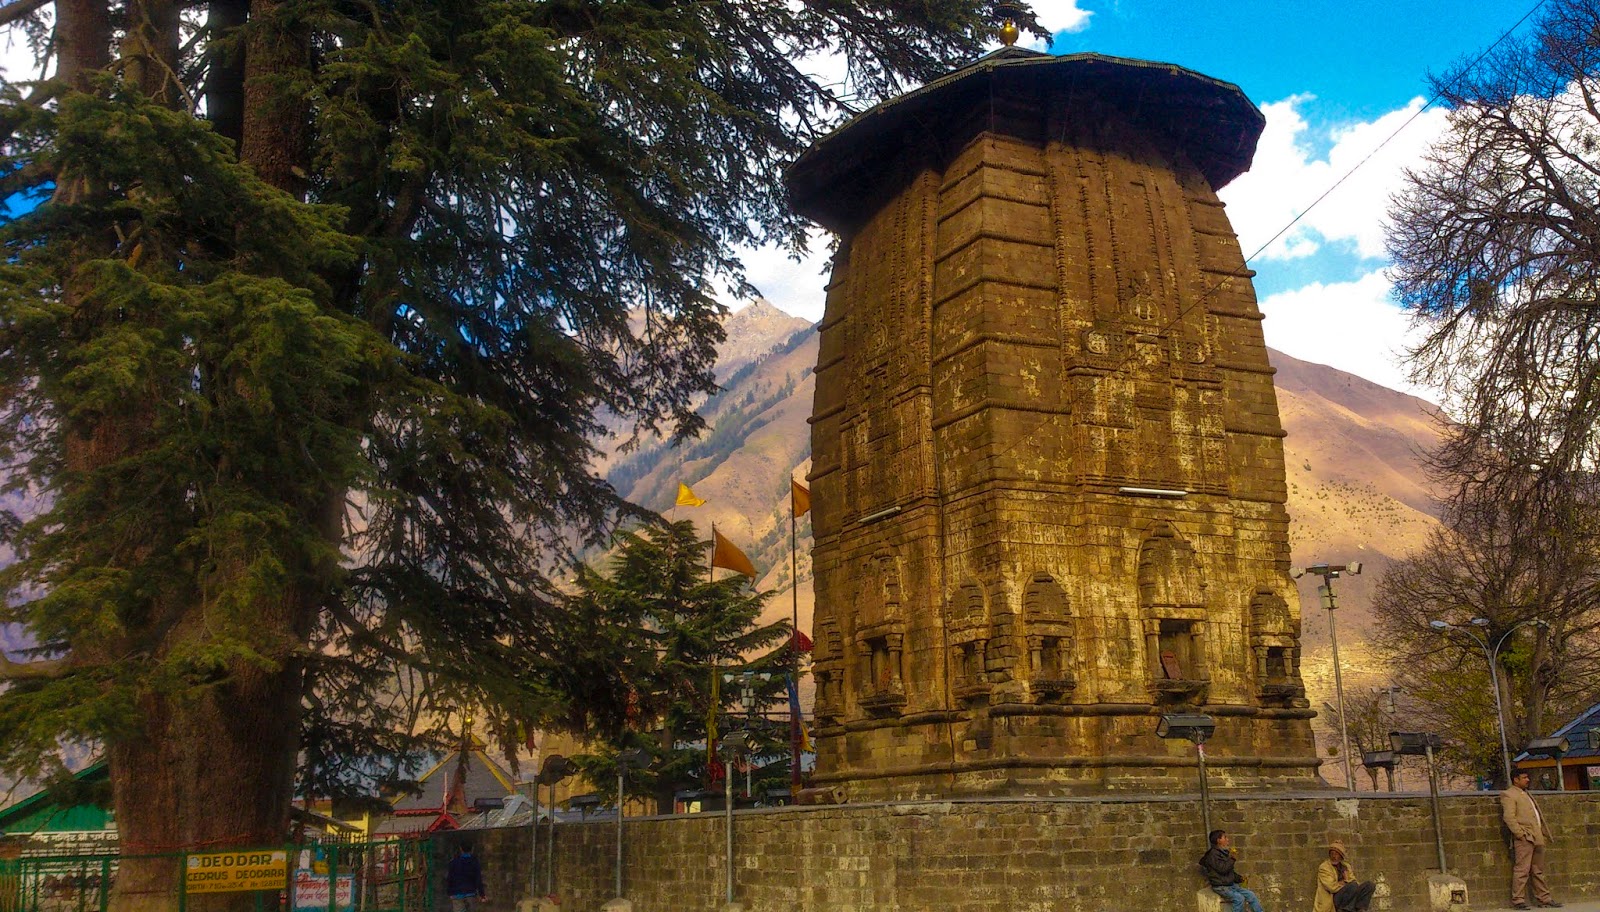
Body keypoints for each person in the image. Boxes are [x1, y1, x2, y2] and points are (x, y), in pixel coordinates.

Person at [1501, 767, 1562, 909]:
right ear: (1516, 779)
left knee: (1538, 870)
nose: (1527, 780)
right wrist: (1520, 834)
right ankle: (1518, 900)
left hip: (1537, 836)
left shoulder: (1526, 794)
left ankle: (1544, 898)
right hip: (1525, 837)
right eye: (1524, 778)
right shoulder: (1509, 794)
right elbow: (1509, 817)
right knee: (1522, 870)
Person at [1200, 829, 1265, 912]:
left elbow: (1229, 872)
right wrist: (1232, 858)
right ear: (1218, 840)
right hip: (1221, 886)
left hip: (1230, 885)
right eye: (1225, 837)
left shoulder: (1223, 853)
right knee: (1239, 898)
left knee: (1251, 895)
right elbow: (1223, 869)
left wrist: (1240, 878)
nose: (1227, 839)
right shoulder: (1212, 855)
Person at [1314, 841, 1375, 912]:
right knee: (1352, 886)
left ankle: (1360, 909)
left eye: (1336, 854)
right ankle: (1346, 910)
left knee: (1369, 885)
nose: (1334, 856)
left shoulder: (1346, 866)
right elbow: (1331, 887)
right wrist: (1345, 881)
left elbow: (1353, 880)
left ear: (1341, 856)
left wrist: (1347, 883)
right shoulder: (1324, 867)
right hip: (1333, 899)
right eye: (1332, 854)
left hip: (1348, 896)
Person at [445, 841, 487, 912]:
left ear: (460, 849)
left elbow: (449, 878)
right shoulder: (474, 862)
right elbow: (478, 879)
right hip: (470, 893)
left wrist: (449, 892)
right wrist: (482, 894)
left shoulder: (454, 862)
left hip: (457, 893)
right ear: (472, 849)